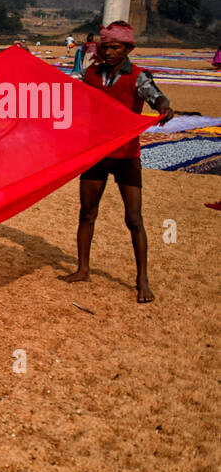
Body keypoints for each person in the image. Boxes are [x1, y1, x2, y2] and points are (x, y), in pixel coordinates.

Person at [60, 22, 174, 303]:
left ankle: (142, 280)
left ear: (127, 49)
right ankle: (83, 268)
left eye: (115, 47)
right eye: (105, 47)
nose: (108, 52)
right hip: (96, 154)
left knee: (134, 218)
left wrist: (163, 108)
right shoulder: (91, 74)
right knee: (87, 212)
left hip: (126, 157)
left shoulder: (137, 77)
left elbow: (156, 96)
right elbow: (75, 97)